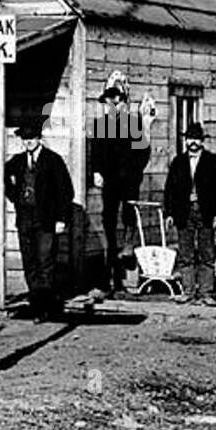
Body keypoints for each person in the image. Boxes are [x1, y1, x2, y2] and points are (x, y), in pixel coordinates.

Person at [4, 119, 75, 322]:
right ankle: (36, 303)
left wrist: (61, 219)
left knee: (45, 262)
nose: (28, 141)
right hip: (25, 219)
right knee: (30, 263)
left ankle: (47, 307)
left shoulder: (53, 160)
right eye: (24, 138)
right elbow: (2, 175)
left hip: (46, 220)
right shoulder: (17, 161)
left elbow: (66, 192)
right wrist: (14, 195)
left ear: (39, 138)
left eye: (31, 138)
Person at [90, 85, 152, 293]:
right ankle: (111, 250)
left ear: (124, 104)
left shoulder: (133, 124)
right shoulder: (101, 125)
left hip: (129, 180)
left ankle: (127, 248)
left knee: (129, 213)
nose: (113, 107)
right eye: (109, 103)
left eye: (117, 103)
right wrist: (97, 172)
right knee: (108, 215)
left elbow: (143, 152)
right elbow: (96, 151)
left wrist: (134, 172)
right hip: (110, 181)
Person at [163, 121, 216, 306]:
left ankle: (207, 292)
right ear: (185, 140)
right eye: (190, 139)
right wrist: (169, 213)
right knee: (186, 254)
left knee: (207, 254)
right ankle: (188, 291)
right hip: (184, 213)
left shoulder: (212, 161)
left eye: (197, 139)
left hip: (206, 212)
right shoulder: (178, 162)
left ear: (202, 141)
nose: (193, 142)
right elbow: (170, 190)